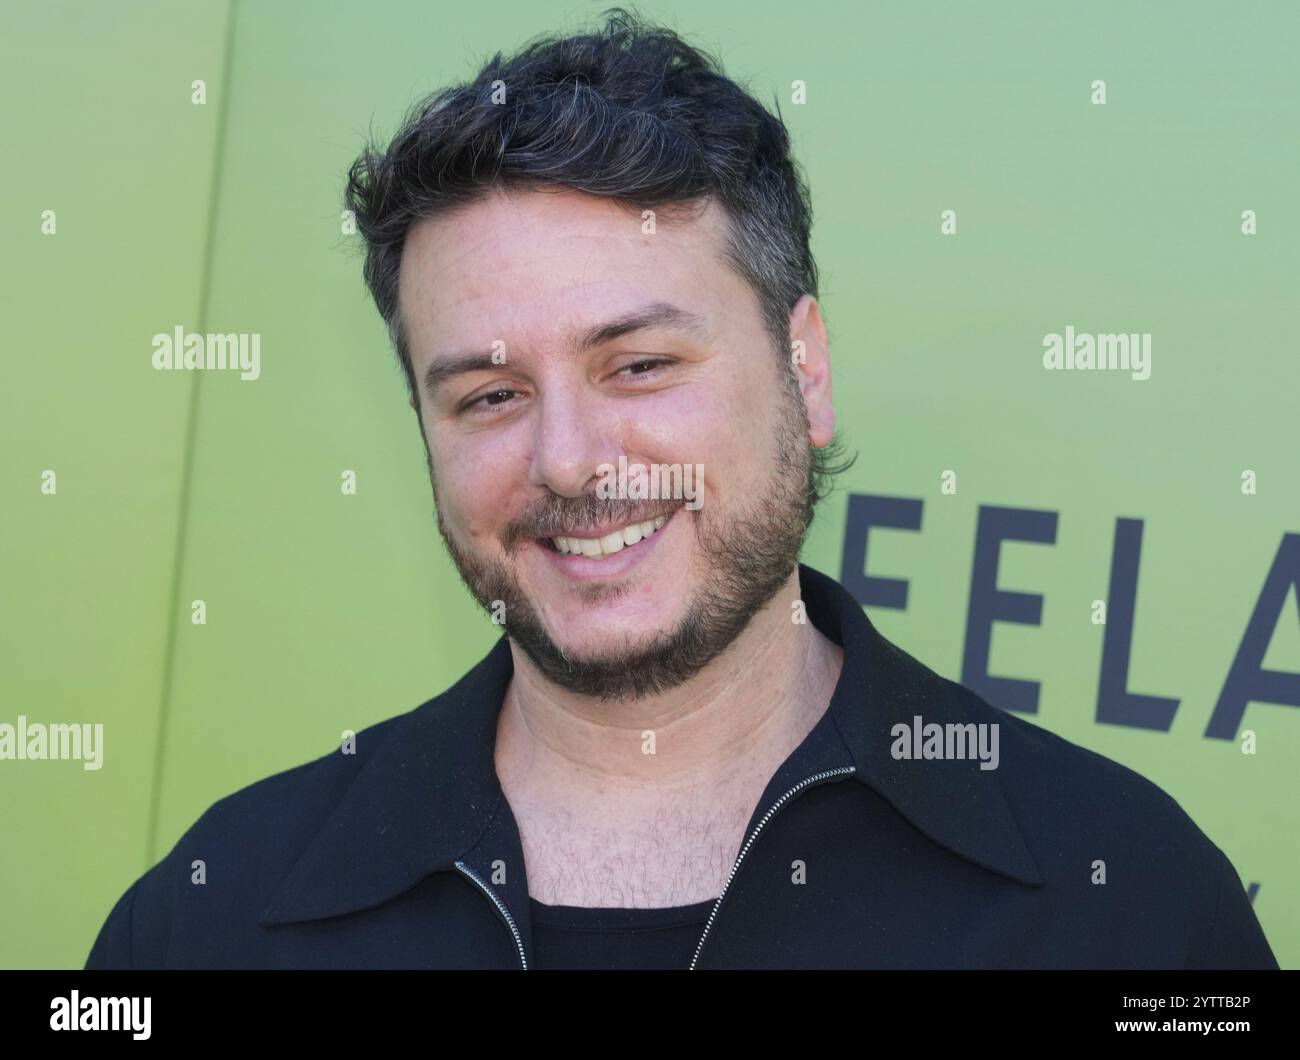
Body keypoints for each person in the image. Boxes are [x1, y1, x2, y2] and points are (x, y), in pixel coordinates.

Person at [85, 8, 1277, 970]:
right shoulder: (211, 921)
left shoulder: (1126, 902)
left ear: (804, 372)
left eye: (640, 364)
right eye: (488, 396)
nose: (565, 459)